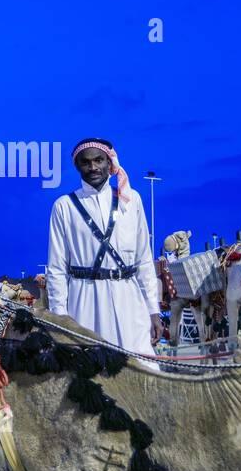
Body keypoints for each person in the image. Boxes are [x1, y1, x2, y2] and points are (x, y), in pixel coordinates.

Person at [46, 138, 160, 357]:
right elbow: (57, 269)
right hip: (85, 301)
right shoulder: (64, 206)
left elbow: (144, 259)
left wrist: (153, 309)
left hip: (129, 299)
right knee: (91, 374)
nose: (93, 167)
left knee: (142, 368)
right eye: (85, 162)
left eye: (98, 160)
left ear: (110, 163)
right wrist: (59, 319)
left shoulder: (131, 200)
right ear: (77, 165)